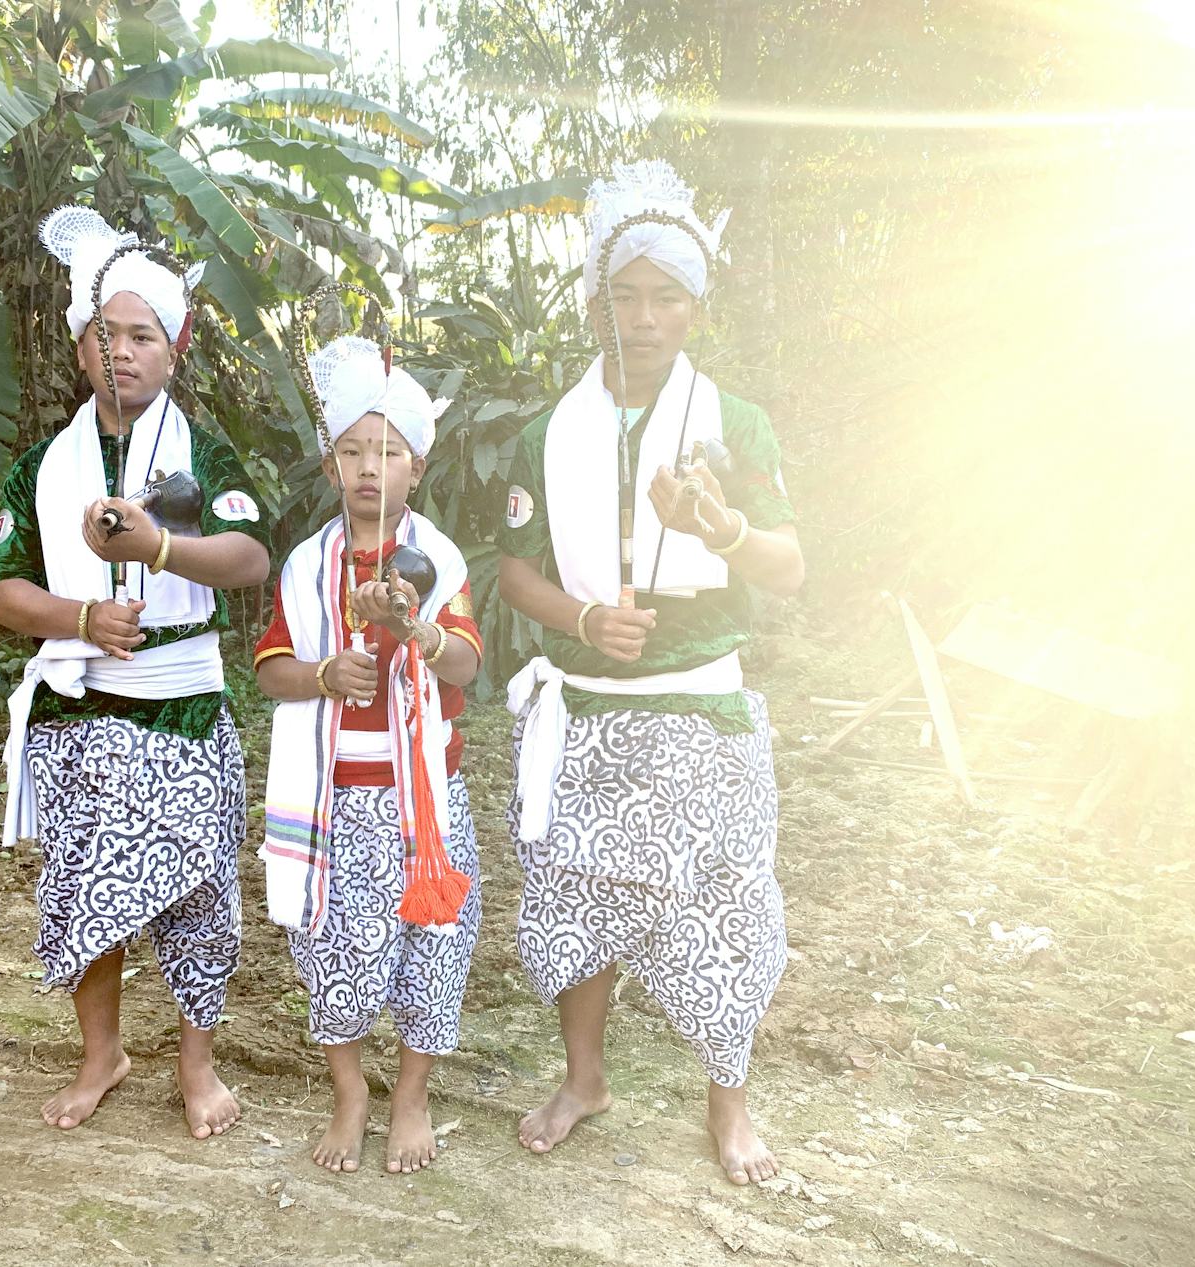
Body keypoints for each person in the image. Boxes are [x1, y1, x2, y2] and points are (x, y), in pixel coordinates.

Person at [497, 160, 805, 1184]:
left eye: (665, 295)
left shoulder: (734, 424)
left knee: (725, 907)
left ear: (695, 307)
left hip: (704, 705)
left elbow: (789, 567)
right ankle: (584, 1077)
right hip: (589, 707)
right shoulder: (550, 433)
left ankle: (731, 1105)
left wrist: (725, 527)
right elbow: (512, 569)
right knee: (578, 896)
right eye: (623, 294)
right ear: (594, 302)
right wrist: (582, 615)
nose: (642, 316)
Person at [0, 206, 271, 1139]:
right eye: (106, 333)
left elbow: (250, 557)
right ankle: (102, 1053)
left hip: (180, 705)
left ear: (174, 347)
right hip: (78, 708)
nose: (124, 351)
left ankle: (197, 1062)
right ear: (81, 348)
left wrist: (161, 548)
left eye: (144, 334)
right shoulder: (43, 466)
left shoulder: (204, 451)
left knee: (195, 893)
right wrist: (78, 617)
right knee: (88, 889)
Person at [255, 336, 484, 1175]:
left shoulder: (438, 560)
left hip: (423, 798)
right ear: (329, 466)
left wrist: (413, 630)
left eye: (387, 451)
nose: (367, 466)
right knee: (336, 949)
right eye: (350, 449)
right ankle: (350, 1090)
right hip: (337, 798)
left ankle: (412, 1092)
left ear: (416, 468)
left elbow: (464, 661)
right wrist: (324, 672)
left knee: (435, 943)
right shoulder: (305, 566)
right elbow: (273, 671)